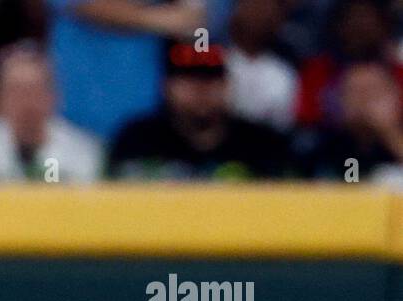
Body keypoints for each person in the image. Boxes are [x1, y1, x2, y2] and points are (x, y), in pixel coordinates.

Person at [107, 42, 293, 179]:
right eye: (189, 79)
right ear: (166, 87)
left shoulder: (262, 145)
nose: (201, 89)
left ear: (227, 85)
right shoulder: (138, 141)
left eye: (210, 79)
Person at [0, 41, 102, 181]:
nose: (27, 102)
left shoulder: (83, 153)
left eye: (35, 90)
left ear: (53, 96)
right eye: (16, 91)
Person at [47, 0, 206, 140]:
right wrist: (163, 20)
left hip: (145, 121)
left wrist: (181, 18)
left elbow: (194, 20)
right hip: (75, 120)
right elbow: (89, 8)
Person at [300, 59, 403, 181]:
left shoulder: (396, 142)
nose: (364, 101)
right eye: (355, 92)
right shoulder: (321, 144)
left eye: (373, 91)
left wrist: (390, 133)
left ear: (396, 97)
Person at [226, 0, 299, 131]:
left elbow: (282, 127)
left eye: (267, 10)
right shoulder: (219, 61)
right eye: (254, 6)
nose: (259, 14)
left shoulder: (283, 74)